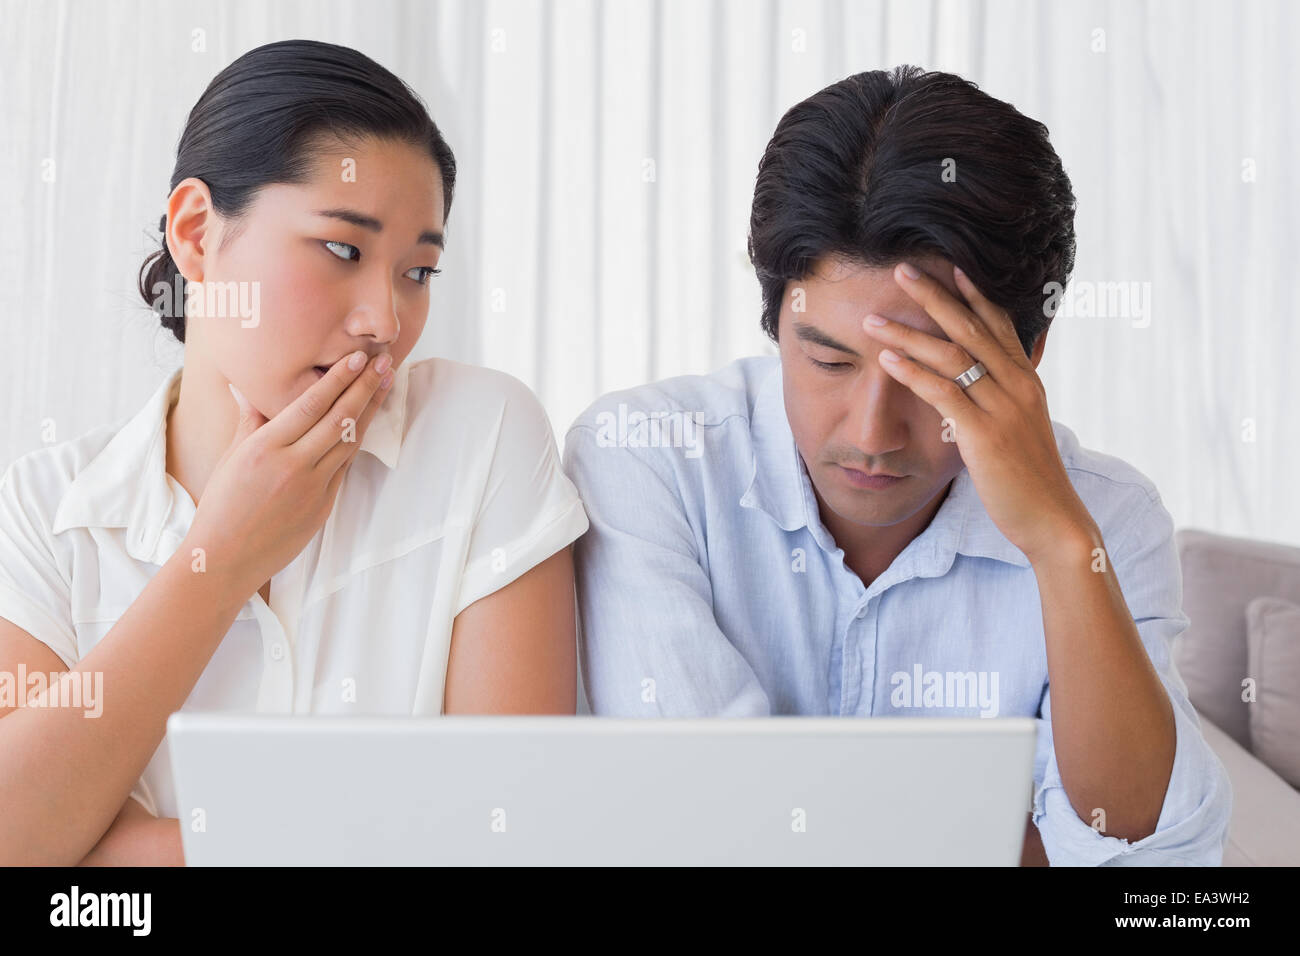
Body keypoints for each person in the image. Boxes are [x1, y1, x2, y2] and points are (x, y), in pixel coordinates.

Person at [564, 65, 1232, 866]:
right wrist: (1002, 841)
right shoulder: (648, 461)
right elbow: (698, 827)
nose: (874, 433)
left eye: (934, 374)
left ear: (1030, 356)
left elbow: (1155, 870)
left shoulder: (1107, 522)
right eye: (831, 364)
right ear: (777, 324)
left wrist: (1058, 547)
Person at [0, 39, 588, 866]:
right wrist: (222, 560)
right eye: (343, 250)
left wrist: (120, 843)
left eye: (419, 271)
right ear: (197, 234)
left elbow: (508, 835)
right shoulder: (44, 510)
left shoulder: (479, 438)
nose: (385, 320)